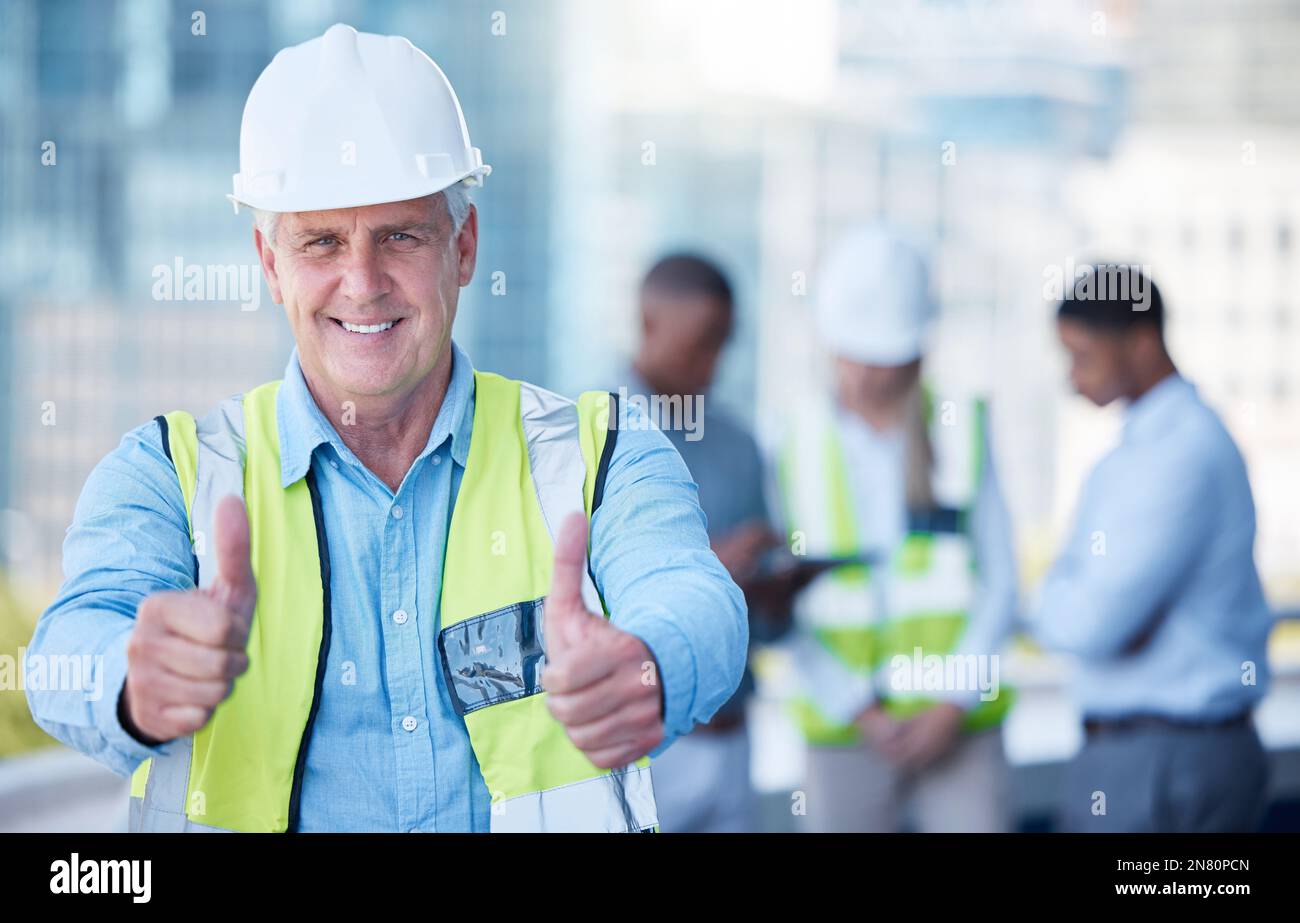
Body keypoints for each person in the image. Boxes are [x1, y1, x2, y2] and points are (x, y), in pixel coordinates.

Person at [24, 23, 747, 833]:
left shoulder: (601, 453)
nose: (362, 283)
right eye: (322, 242)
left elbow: (697, 599)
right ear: (271, 265)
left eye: (400, 235)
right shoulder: (169, 472)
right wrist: (131, 678)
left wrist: (647, 667)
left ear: (463, 247)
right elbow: (64, 649)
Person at [777, 223, 1018, 833]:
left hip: (960, 725)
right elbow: (780, 603)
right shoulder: (789, 444)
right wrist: (855, 706)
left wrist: (951, 701)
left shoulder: (963, 428)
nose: (871, 374)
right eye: (858, 353)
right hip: (844, 730)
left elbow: (1001, 579)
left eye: (885, 357)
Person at [1034, 263, 1273, 832]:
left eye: (1082, 356)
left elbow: (1094, 625)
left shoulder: (1178, 454)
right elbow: (1098, 615)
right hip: (1156, 759)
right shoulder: (1153, 447)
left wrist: (1064, 593)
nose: (1071, 378)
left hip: (1161, 768)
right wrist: (1076, 596)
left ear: (1140, 343)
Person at [616, 253, 793, 832]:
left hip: (735, 737)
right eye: (701, 343)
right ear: (649, 324)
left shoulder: (740, 444)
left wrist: (774, 586)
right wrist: (707, 571)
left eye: (724, 343)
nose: (714, 363)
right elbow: (560, 596)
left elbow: (771, 628)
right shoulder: (577, 433)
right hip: (640, 748)